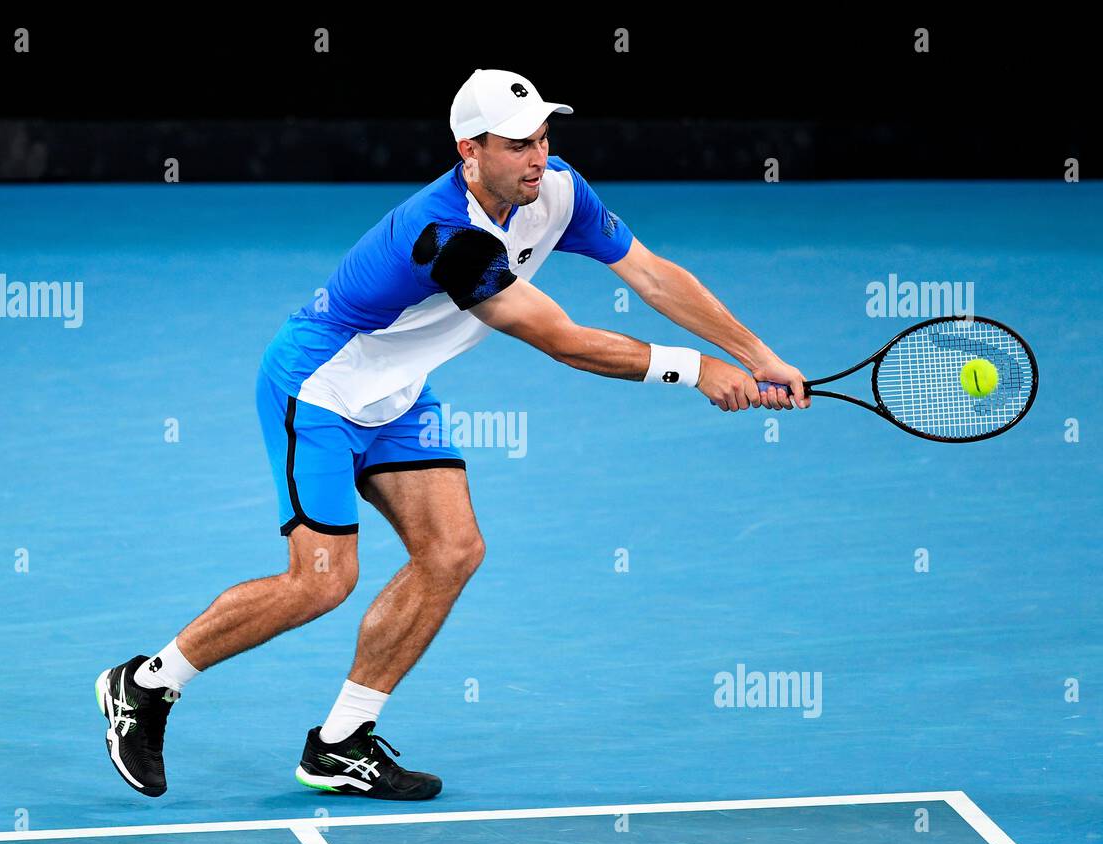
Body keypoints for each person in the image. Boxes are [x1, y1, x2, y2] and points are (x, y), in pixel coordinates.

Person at [96, 68, 808, 802]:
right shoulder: (448, 236)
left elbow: (654, 276)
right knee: (322, 582)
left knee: (452, 550)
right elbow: (561, 340)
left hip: (399, 395)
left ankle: (341, 742)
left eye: (542, 139)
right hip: (318, 388)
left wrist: (759, 357)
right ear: (469, 150)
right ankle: (147, 683)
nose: (537, 158)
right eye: (516, 146)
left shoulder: (558, 189)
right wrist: (693, 370)